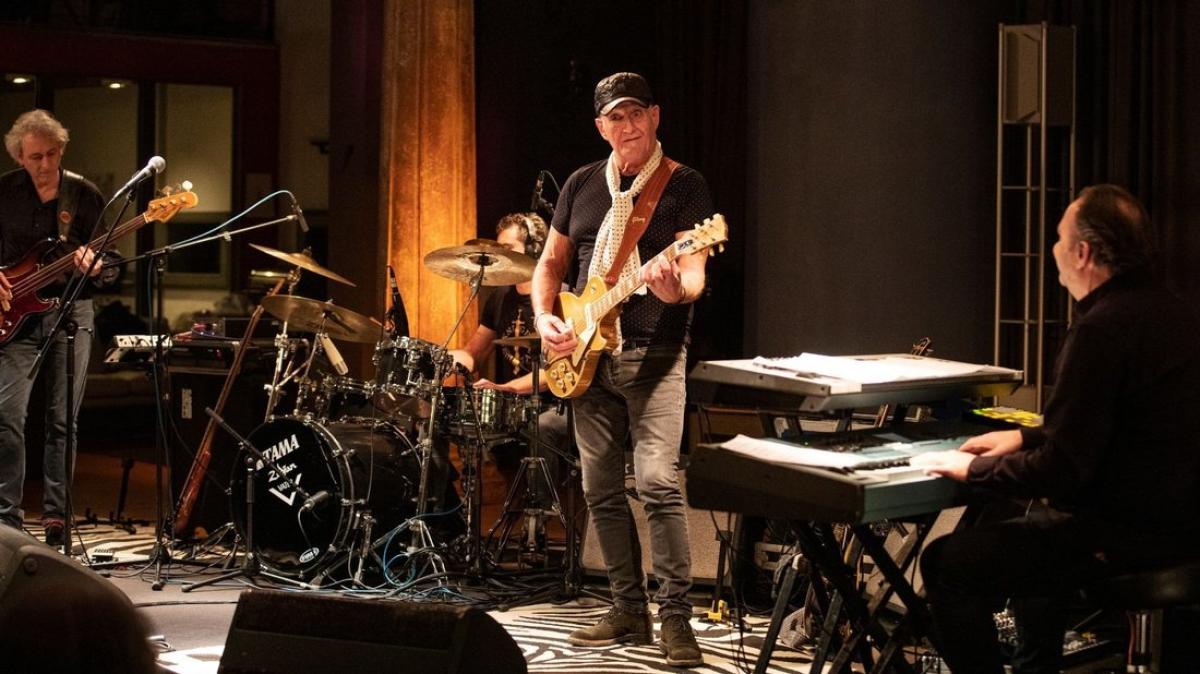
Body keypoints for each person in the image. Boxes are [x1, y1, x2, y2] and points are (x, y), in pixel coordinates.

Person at [911, 184, 1200, 673]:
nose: (1054, 250)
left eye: (1060, 238)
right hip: (1183, 529)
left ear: (1083, 253)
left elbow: (1061, 471)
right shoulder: (1177, 315)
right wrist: (1025, 437)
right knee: (1037, 536)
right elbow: (1128, 425)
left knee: (948, 564)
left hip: (1124, 538)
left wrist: (973, 469)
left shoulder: (1100, 330)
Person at [532, 72, 714, 668]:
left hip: (654, 354)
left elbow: (693, 275)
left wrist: (673, 291)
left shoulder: (684, 186)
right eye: (615, 116)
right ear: (600, 126)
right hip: (585, 357)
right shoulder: (583, 183)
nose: (626, 125)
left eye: (636, 113)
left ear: (656, 116)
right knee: (599, 488)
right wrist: (544, 318)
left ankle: (677, 618)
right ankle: (626, 609)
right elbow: (552, 263)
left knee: (659, 483)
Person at [0, 109, 117, 547]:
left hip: (72, 311)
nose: (45, 165)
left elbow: (113, 268)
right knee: (7, 415)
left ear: (61, 150)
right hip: (13, 317)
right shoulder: (3, 192)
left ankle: (56, 517)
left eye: (51, 154)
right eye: (35, 157)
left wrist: (98, 265)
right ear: (19, 157)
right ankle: (6, 520)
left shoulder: (83, 195)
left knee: (62, 419)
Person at [449, 213, 572, 503]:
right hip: (509, 406)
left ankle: (541, 517)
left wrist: (505, 388)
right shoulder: (500, 297)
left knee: (540, 428)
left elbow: (556, 373)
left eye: (509, 249)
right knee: (440, 421)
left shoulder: (561, 298)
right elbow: (474, 351)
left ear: (534, 251)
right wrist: (453, 361)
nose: (500, 256)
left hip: (557, 407)